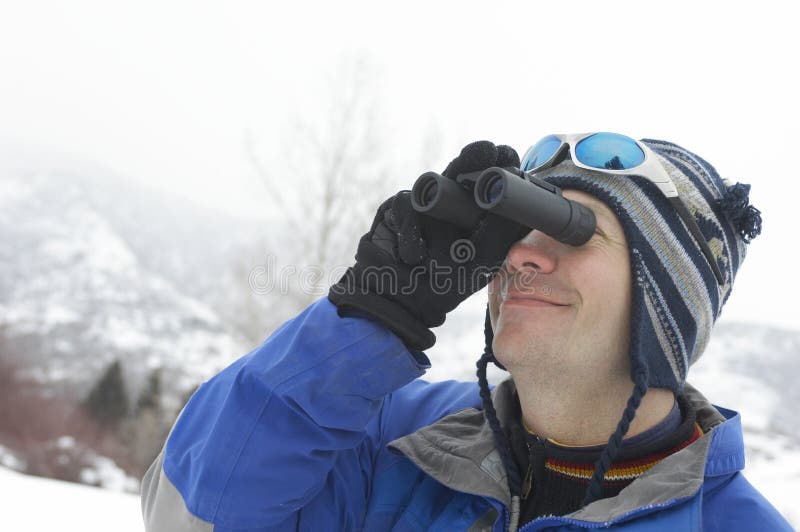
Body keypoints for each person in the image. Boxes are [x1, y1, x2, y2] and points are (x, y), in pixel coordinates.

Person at [141, 135, 791, 531]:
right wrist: (371, 319)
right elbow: (191, 520)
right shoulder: (392, 435)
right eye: (516, 234)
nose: (518, 257)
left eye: (571, 232)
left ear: (668, 301)